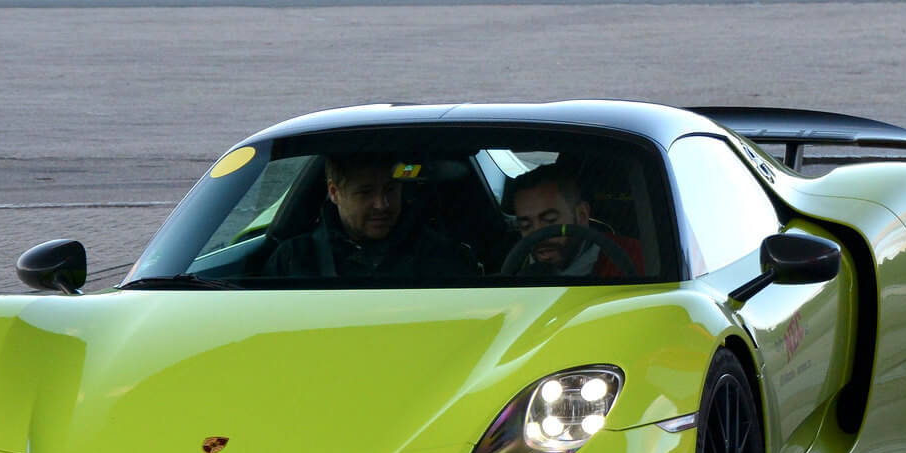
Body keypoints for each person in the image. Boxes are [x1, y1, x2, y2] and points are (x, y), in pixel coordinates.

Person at [266, 152, 473, 280]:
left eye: (390, 190)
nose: (381, 205)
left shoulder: (440, 257)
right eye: (365, 193)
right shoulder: (294, 260)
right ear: (334, 193)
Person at [503, 167, 644, 278]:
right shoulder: (514, 266)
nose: (538, 235)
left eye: (550, 220)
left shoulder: (635, 258)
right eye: (525, 225)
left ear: (582, 215)